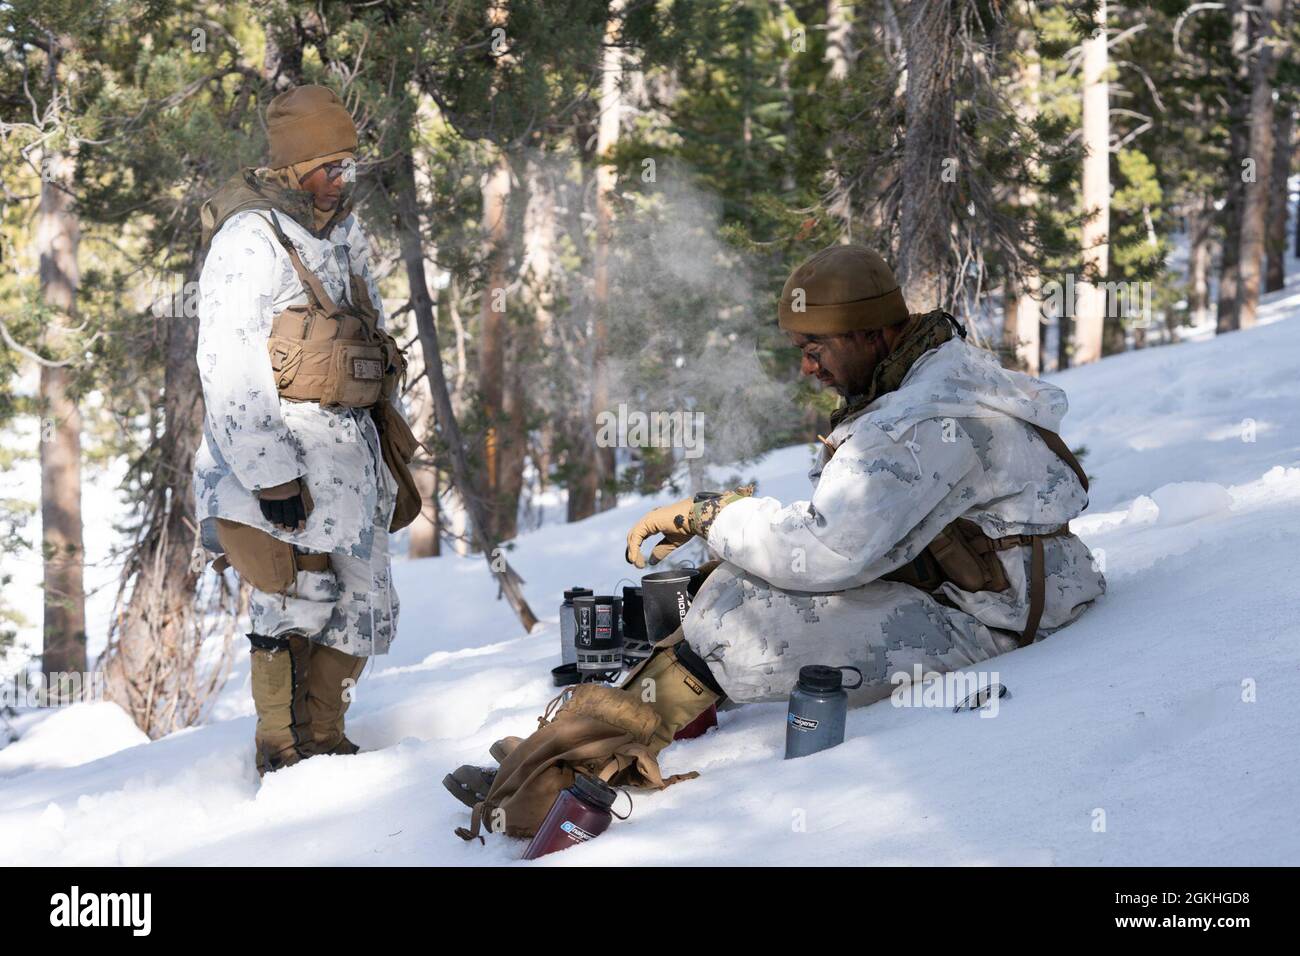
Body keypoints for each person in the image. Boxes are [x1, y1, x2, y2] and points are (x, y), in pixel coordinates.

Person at [447, 244, 1104, 839]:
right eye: (798, 348)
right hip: (971, 586)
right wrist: (724, 529)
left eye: (817, 346)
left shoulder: (925, 418)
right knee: (729, 585)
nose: (807, 366)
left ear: (875, 333)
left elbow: (827, 551)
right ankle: (579, 743)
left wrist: (712, 516)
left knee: (748, 620)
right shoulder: (923, 378)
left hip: (1000, 615)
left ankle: (571, 771)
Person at [194, 85, 416, 776]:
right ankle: (281, 747)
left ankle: (327, 735)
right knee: (296, 597)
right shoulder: (249, 239)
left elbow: (367, 334)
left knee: (364, 602)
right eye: (327, 165)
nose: (340, 179)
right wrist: (271, 472)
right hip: (287, 453)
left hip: (352, 451)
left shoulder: (346, 232)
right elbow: (228, 359)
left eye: (348, 164)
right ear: (292, 166)